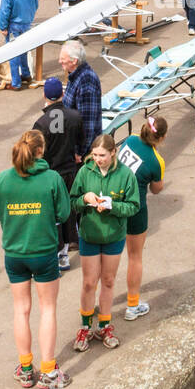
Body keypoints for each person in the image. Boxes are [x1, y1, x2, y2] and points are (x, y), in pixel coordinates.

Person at [0, 130, 73, 389]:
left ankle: (26, 369)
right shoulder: (52, 179)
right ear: (41, 151)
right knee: (47, 309)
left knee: (21, 309)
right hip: (44, 252)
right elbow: (64, 213)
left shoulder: (3, 179)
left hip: (14, 254)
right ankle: (48, 371)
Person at [70, 135, 140, 353]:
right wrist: (84, 199)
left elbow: (134, 206)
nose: (97, 159)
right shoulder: (84, 172)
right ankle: (85, 326)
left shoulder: (126, 175)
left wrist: (113, 206)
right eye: (95, 155)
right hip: (89, 235)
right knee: (89, 283)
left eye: (102, 155)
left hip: (113, 236)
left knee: (108, 281)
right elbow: (72, 202)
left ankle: (104, 325)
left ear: (113, 153)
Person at [117, 116, 167, 321]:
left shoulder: (129, 140)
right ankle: (132, 305)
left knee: (104, 255)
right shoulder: (157, 161)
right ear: (162, 137)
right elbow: (156, 189)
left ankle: (99, 305)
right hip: (136, 209)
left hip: (114, 199)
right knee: (134, 257)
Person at [34, 77, 86, 272]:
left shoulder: (40, 123)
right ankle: (69, 246)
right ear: (63, 94)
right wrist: (78, 154)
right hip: (70, 170)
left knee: (53, 214)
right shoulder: (75, 116)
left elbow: (36, 150)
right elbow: (82, 140)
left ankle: (56, 252)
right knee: (69, 209)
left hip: (49, 173)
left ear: (44, 95)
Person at [0, 0, 39, 90]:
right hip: (27, 21)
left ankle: (16, 82)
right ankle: (26, 75)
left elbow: (5, 8)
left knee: (13, 53)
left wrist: (2, 25)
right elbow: (35, 3)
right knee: (24, 50)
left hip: (13, 23)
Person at [59, 38, 103, 150]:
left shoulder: (86, 81)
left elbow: (87, 121)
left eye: (63, 58)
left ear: (74, 61)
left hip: (83, 150)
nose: (60, 61)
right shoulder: (75, 75)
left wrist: (80, 151)